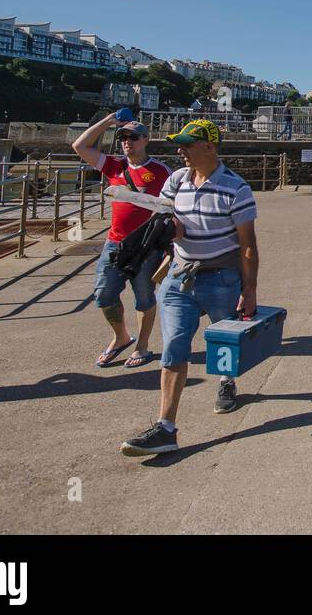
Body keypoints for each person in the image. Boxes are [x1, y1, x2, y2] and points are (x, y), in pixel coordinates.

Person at [120, 119, 259, 456]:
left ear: (209, 147)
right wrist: (170, 228)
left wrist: (249, 290)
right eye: (178, 144)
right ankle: (166, 427)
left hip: (222, 277)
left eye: (186, 144)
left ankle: (226, 382)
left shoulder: (235, 188)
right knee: (174, 349)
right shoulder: (176, 181)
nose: (179, 150)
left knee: (223, 342)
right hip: (180, 277)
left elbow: (248, 246)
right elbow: (163, 217)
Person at [72, 111, 171, 370]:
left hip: (147, 246)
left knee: (144, 297)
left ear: (146, 139)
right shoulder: (115, 166)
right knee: (104, 294)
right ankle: (121, 337)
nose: (127, 141)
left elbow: (173, 206)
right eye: (123, 137)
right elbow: (79, 146)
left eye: (133, 137)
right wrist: (107, 122)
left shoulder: (160, 171)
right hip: (115, 243)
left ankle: (143, 346)